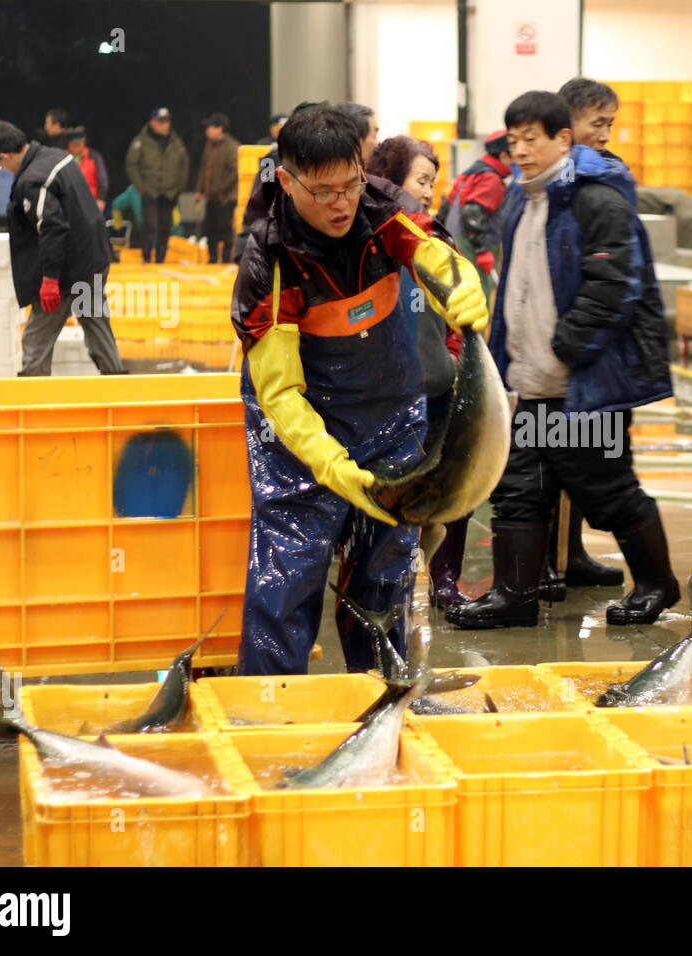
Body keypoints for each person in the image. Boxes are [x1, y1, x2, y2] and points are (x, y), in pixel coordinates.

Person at [230, 105, 487, 675]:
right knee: (288, 574)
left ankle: (381, 695)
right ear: (286, 180)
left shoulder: (383, 208)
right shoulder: (270, 258)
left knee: (386, 575)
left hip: (391, 412)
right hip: (300, 432)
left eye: (350, 184)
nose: (341, 204)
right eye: (323, 192)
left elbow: (433, 251)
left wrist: (461, 283)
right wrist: (328, 461)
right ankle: (271, 711)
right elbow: (279, 392)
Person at [446, 91, 676, 629]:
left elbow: (616, 284)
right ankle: (514, 595)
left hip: (583, 381)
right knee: (518, 488)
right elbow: (514, 287)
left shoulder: (597, 199)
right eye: (514, 139)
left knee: (606, 486)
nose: (521, 149)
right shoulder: (519, 199)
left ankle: (657, 583)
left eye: (533, 138)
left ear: (562, 140)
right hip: (529, 379)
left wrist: (566, 346)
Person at [366, 135, 471, 608]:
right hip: (392, 399)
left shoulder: (434, 236)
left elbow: (456, 309)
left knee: (450, 492)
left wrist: (452, 355)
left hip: (437, 387)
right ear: (392, 181)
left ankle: (444, 582)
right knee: (398, 501)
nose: (429, 192)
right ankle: (390, 596)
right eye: (421, 181)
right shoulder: (372, 243)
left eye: (433, 182)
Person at [0, 120, 125, 377]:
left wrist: (49, 279)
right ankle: (118, 387)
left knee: (36, 338)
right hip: (93, 259)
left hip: (68, 270)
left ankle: (34, 398)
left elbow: (52, 228)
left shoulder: (35, 180)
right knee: (96, 325)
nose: (2, 169)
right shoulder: (56, 156)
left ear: (5, 156)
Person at [436, 130, 511, 285]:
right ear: (504, 156)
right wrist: (482, 251)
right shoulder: (491, 178)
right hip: (473, 248)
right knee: (479, 295)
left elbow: (445, 208)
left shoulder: (472, 172)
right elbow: (472, 213)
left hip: (457, 242)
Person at [125, 107, 189, 263]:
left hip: (170, 192)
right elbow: (131, 165)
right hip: (150, 191)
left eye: (167, 121)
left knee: (166, 227)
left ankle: (161, 258)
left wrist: (179, 188)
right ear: (152, 122)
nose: (164, 125)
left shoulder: (176, 141)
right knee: (150, 226)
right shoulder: (141, 141)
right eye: (161, 122)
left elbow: (184, 164)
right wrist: (142, 188)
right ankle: (147, 258)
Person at [196, 112, 240, 264]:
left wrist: (221, 190)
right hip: (212, 198)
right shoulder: (210, 145)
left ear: (219, 129)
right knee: (209, 231)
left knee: (226, 231)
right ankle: (212, 260)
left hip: (226, 198)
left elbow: (235, 172)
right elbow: (204, 169)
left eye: (210, 127)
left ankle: (227, 261)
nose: (207, 130)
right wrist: (199, 190)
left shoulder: (232, 147)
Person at [63, 127, 109, 213]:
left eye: (79, 144)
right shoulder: (62, 157)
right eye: (74, 144)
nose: (77, 147)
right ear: (68, 144)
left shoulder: (94, 156)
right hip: (68, 204)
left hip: (91, 202)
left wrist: (101, 199)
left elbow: (103, 179)